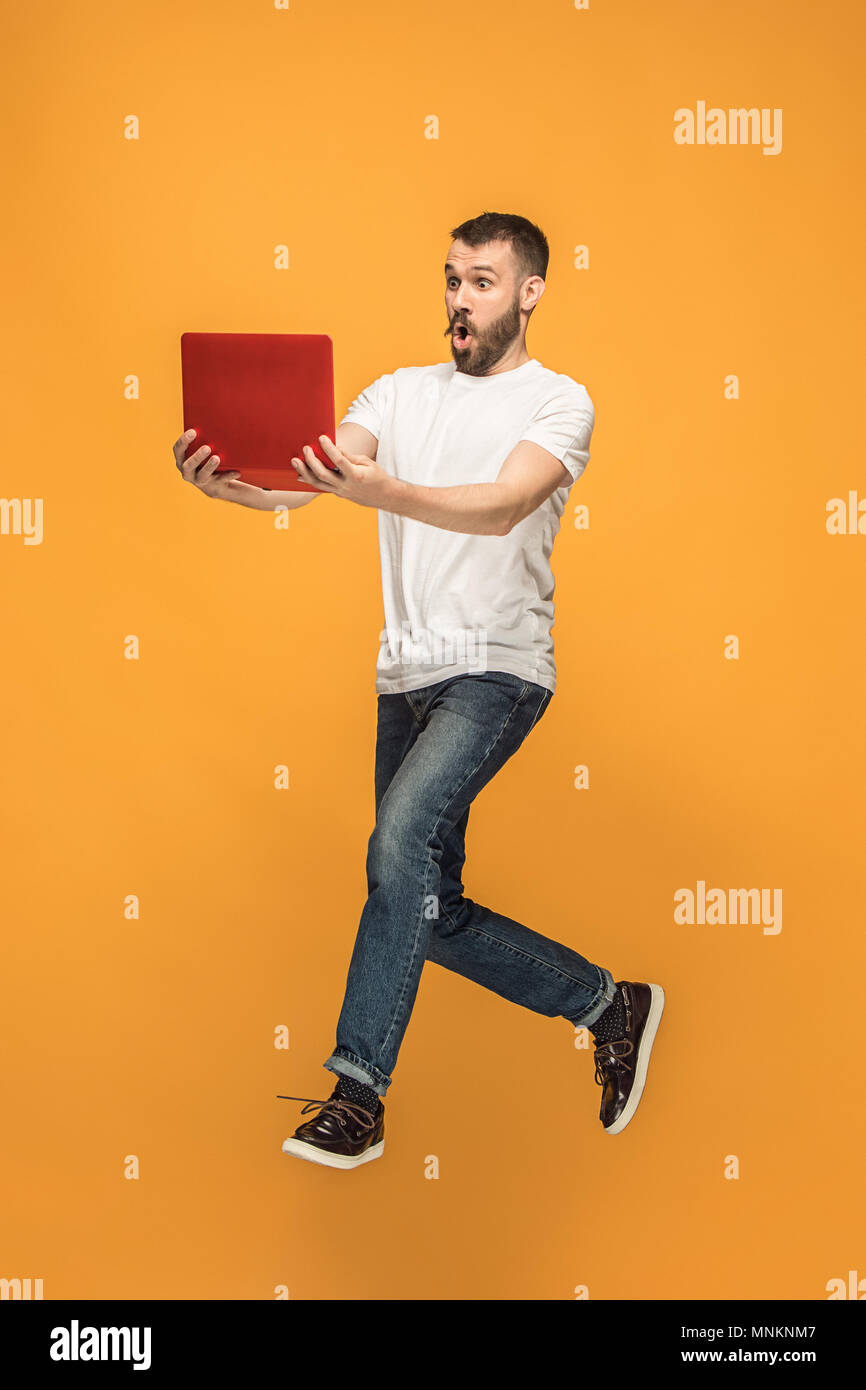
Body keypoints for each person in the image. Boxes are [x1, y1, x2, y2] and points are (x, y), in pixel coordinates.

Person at [172, 211, 664, 1171]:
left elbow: (504, 505)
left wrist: (377, 491)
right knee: (421, 903)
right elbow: (310, 478)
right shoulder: (395, 392)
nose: (459, 300)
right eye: (450, 279)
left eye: (481, 281)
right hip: (406, 677)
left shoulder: (560, 401)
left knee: (397, 843)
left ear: (529, 293)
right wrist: (228, 483)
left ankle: (358, 1093)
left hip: (497, 667)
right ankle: (611, 1003)